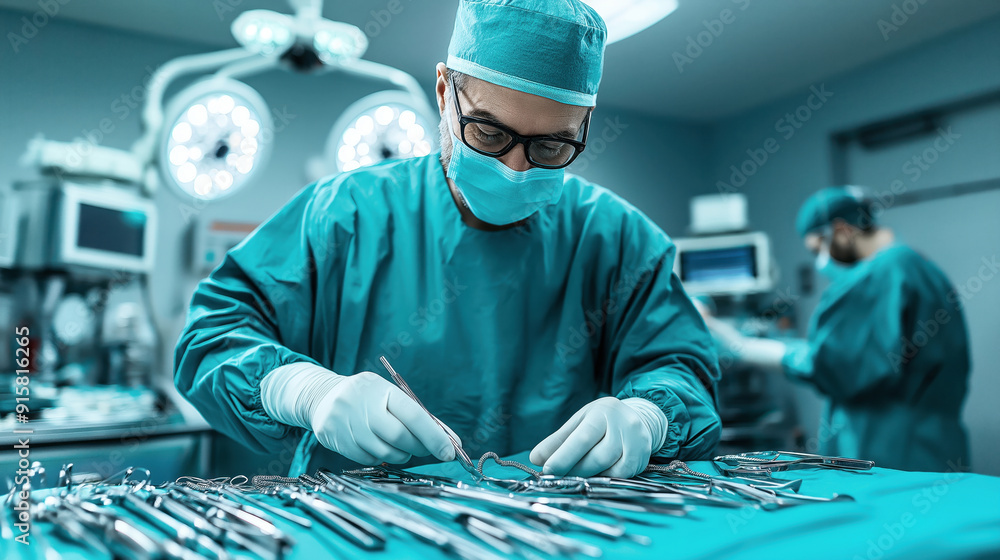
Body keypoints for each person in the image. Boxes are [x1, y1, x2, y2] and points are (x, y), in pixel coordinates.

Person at [174, 0, 721, 478]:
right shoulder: (344, 214)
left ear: (584, 126)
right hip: (354, 527)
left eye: (551, 147)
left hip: (552, 527)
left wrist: (648, 417)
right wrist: (304, 391)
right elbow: (212, 337)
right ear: (444, 92)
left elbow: (681, 370)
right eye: (488, 132)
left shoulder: (617, 239)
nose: (514, 168)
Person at [698, 186, 970, 472]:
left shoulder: (880, 275)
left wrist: (744, 348)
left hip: (890, 450)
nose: (821, 262)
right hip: (935, 445)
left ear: (841, 231)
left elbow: (838, 366)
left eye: (818, 249)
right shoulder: (921, 267)